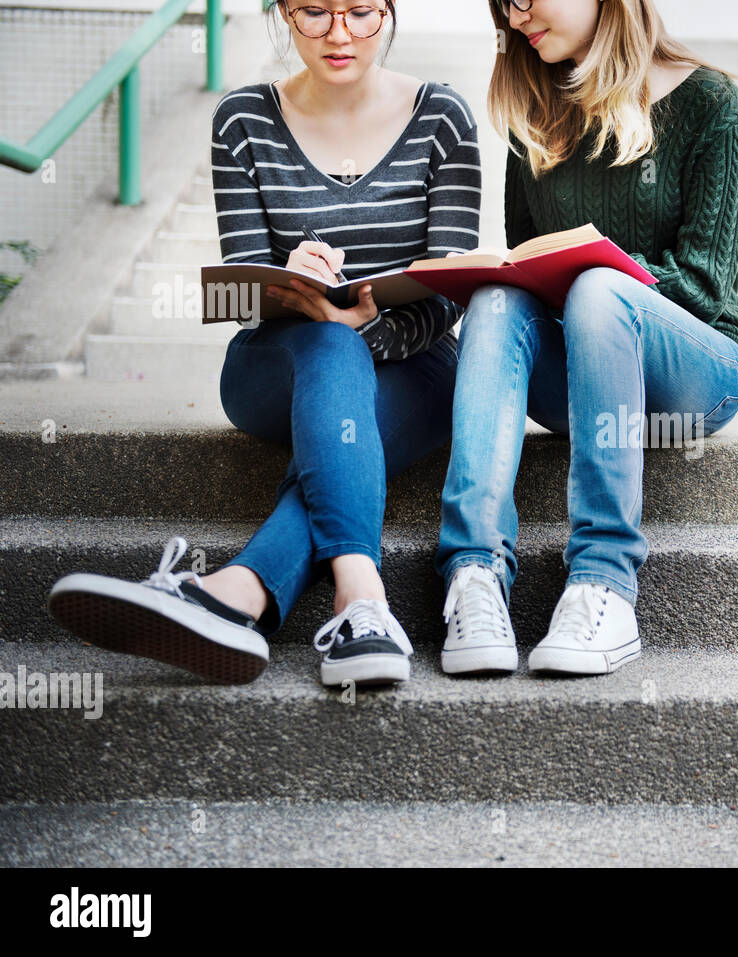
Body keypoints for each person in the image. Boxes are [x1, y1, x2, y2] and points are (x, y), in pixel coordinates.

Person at [47, 0, 481, 687]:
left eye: (361, 12)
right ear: (282, 13)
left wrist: (370, 326)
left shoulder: (443, 118)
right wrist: (290, 278)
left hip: (416, 370)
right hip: (276, 366)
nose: (339, 34)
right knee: (330, 348)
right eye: (314, 12)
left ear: (389, 11)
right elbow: (236, 295)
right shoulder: (244, 120)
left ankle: (232, 594)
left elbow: (453, 290)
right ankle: (363, 601)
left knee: (346, 361)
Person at [435, 0, 738, 676]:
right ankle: (473, 576)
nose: (516, 13)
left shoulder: (709, 103)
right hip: (583, 374)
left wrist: (601, 273)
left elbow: (705, 285)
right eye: (504, 2)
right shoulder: (537, 105)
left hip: (696, 370)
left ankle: (605, 583)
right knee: (498, 298)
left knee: (597, 289)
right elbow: (527, 262)